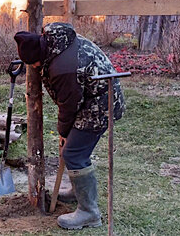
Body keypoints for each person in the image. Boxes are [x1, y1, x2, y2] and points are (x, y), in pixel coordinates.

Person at [14, 22, 125, 230]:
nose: (36, 69)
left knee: (74, 154)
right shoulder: (55, 39)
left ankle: (89, 213)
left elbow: (69, 104)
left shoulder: (62, 68)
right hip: (91, 96)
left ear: (39, 58)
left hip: (101, 103)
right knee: (75, 152)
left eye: (35, 65)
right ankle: (78, 192)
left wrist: (63, 132)